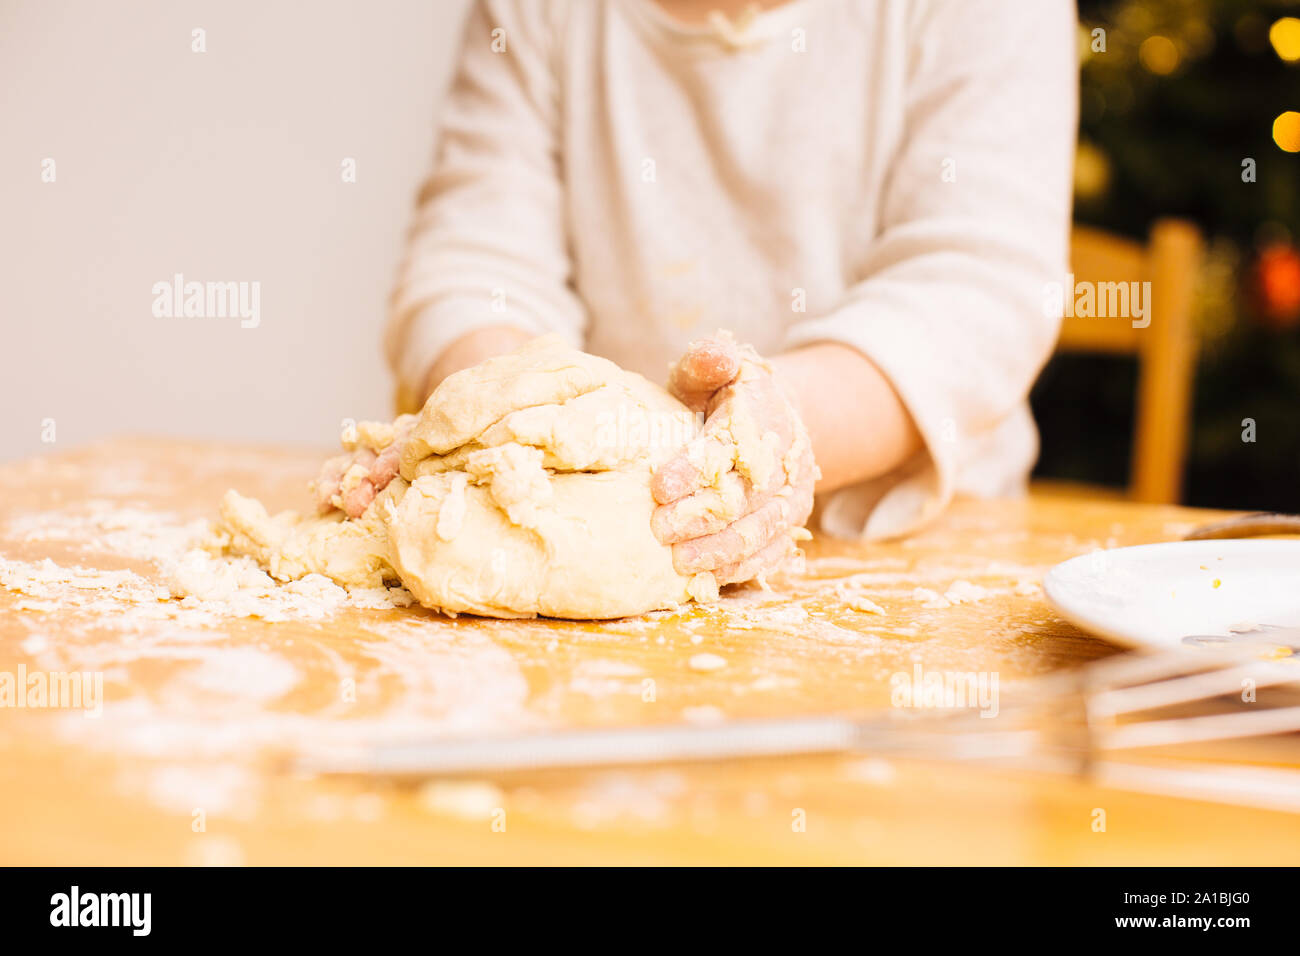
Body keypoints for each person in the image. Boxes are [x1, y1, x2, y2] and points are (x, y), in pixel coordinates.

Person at [328, 0, 1077, 586]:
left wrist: (756, 446)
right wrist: (502, 417)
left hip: (922, 563)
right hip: (583, 522)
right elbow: (477, 257)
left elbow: (976, 284)